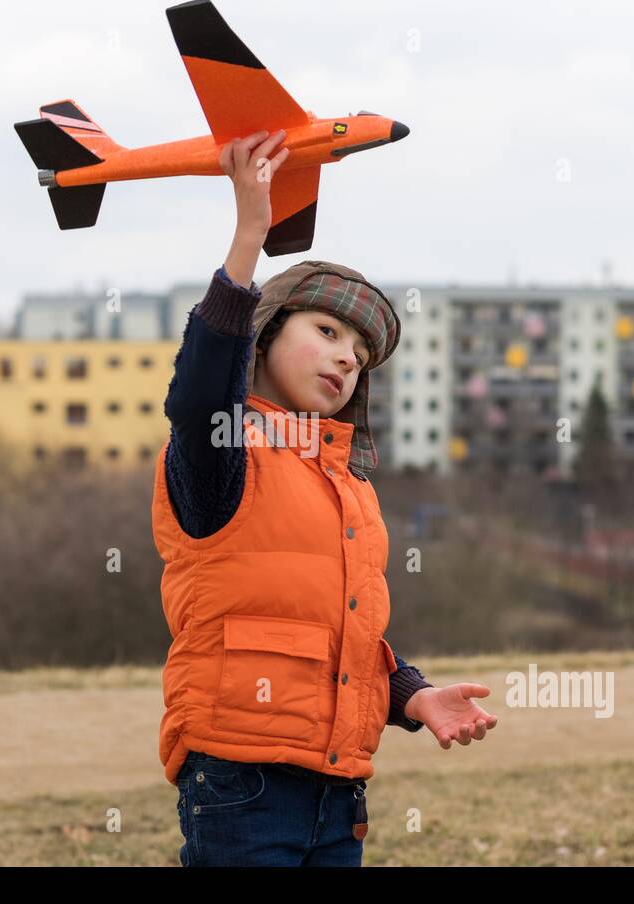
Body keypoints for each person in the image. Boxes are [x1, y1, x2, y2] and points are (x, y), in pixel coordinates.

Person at [152, 129, 499, 866]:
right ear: (265, 333)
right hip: (241, 782)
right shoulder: (225, 449)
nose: (347, 356)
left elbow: (341, 633)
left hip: (339, 790)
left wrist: (413, 696)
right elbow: (196, 392)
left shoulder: (350, 488)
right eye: (328, 329)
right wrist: (250, 230)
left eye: (361, 354)